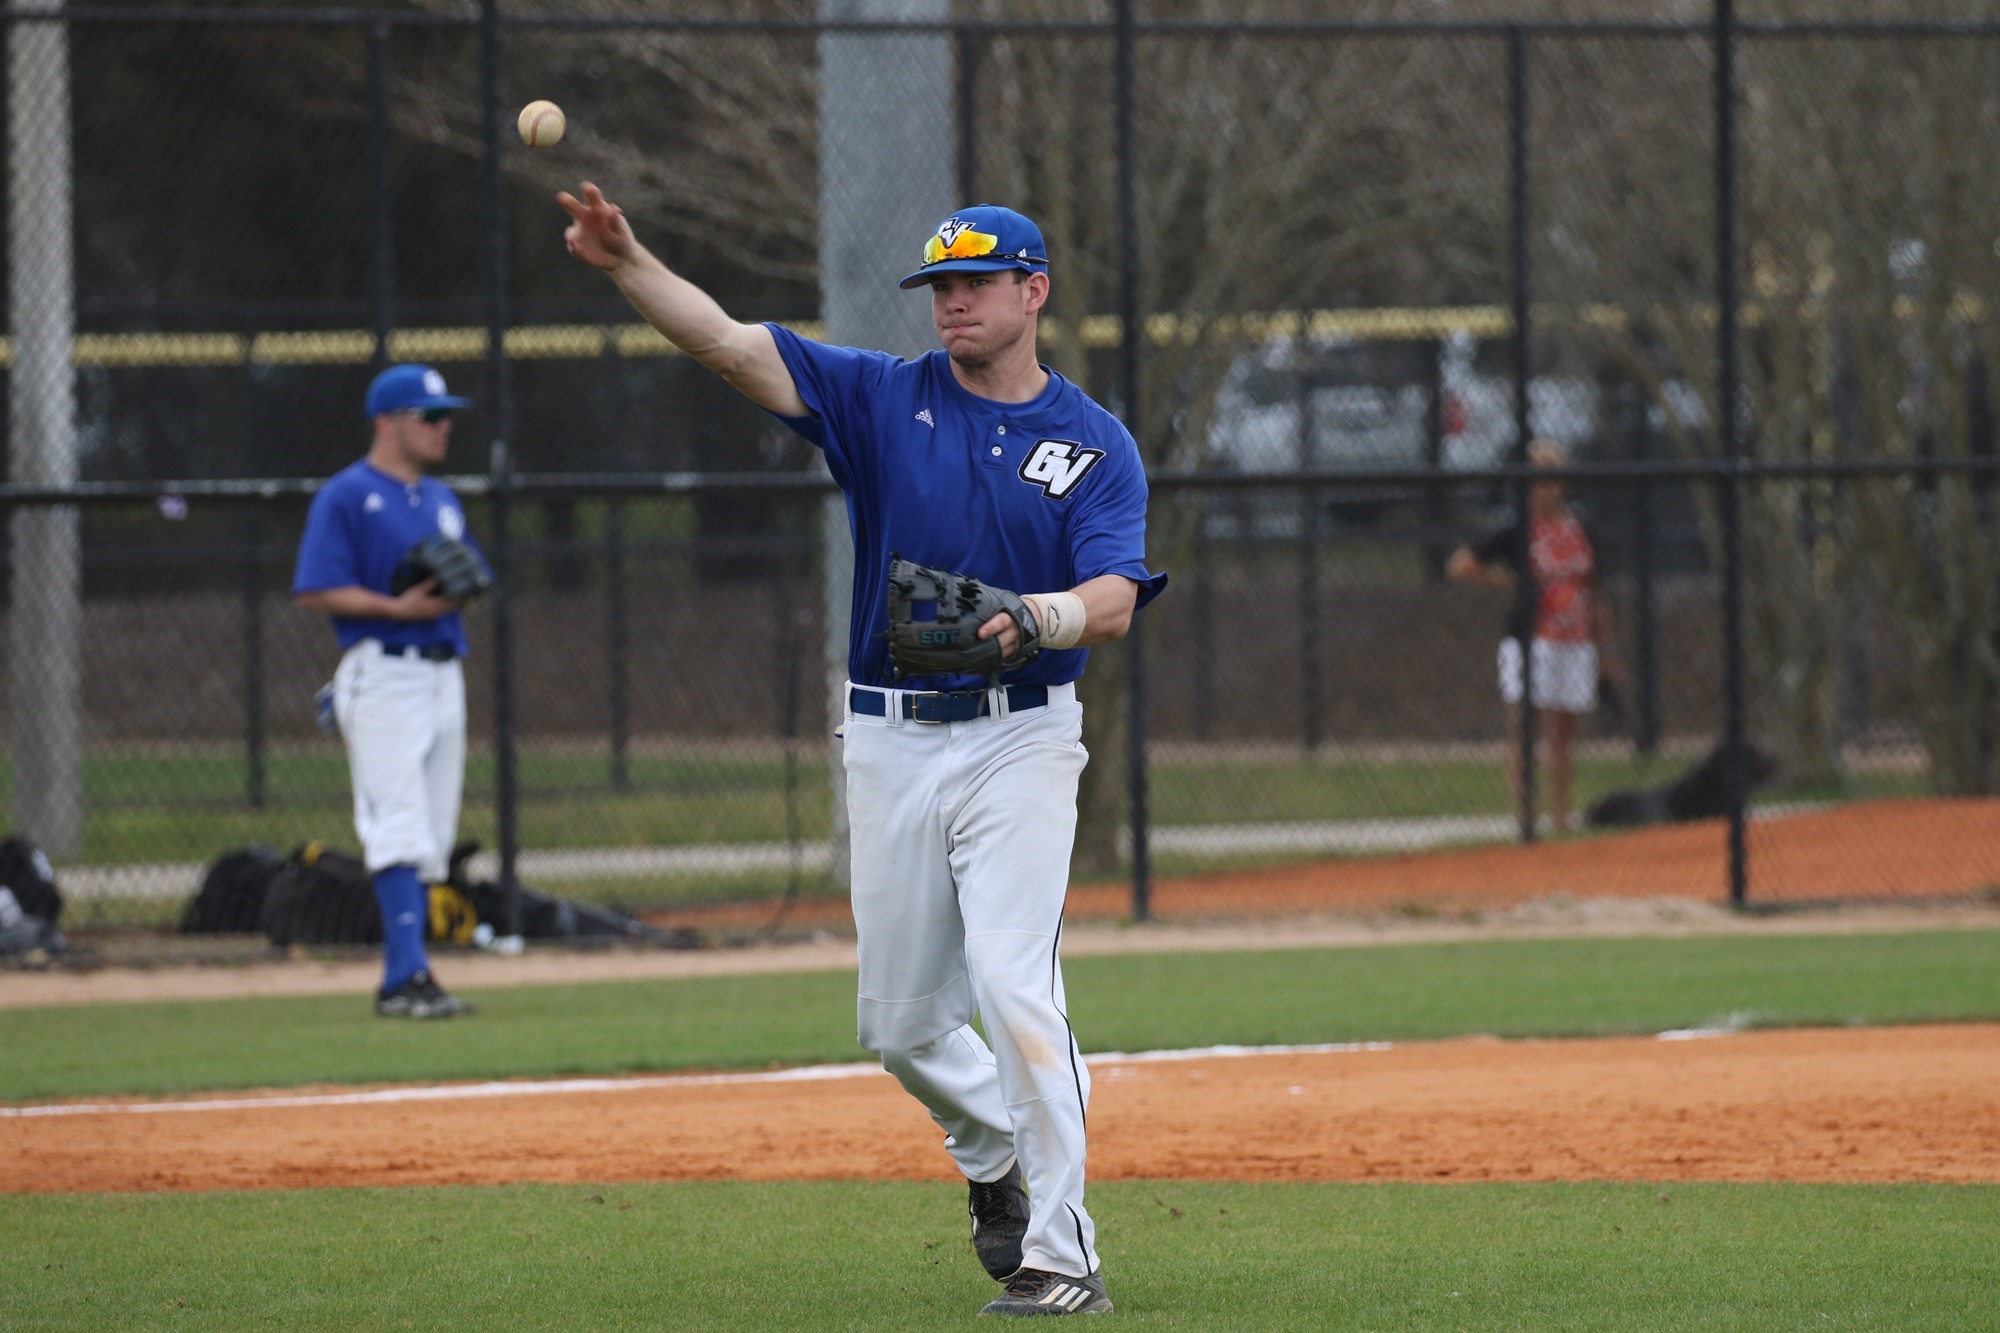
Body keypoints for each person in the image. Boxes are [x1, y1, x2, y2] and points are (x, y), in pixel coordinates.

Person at [558, 184, 1165, 1317]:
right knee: (895, 1024)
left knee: (1011, 983)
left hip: (1021, 736)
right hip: (886, 736)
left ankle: (1061, 1257)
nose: (951, 305)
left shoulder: (1090, 444)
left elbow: (1116, 594)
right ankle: (992, 1157)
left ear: (1032, 292)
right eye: (938, 288)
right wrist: (628, 265)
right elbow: (732, 349)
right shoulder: (883, 399)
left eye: (974, 284)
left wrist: (1041, 617)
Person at [293, 363, 485, 1020]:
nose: (443, 427)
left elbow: (467, 578)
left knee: (431, 831)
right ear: (388, 422)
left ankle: (415, 974)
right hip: (383, 667)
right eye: (429, 416)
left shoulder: (440, 498)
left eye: (445, 415)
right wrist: (392, 606)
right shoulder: (348, 494)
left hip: (441, 672)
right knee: (397, 824)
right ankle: (403, 979)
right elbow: (315, 585)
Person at [1446, 438, 1618, 833]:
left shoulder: (1580, 528)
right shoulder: (1516, 528)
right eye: (1536, 480)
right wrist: (1505, 580)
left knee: (1563, 735)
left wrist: (1606, 648)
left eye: (1551, 480)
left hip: (1575, 641)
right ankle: (1525, 817)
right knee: (1524, 730)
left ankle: (1559, 816)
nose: (1544, 489)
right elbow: (1460, 565)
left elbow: (1595, 590)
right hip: (1532, 641)